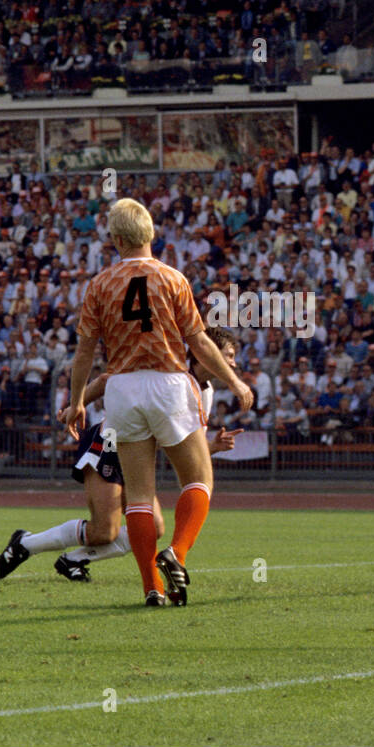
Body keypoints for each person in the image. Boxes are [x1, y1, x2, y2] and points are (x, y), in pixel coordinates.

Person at [62, 198, 253, 606]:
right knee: (199, 479)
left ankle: (152, 588)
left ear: (116, 239)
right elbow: (199, 342)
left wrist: (77, 401)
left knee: (140, 496)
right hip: (167, 384)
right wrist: (234, 380)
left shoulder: (99, 284)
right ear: (150, 233)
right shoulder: (173, 278)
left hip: (123, 389)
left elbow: (83, 355)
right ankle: (177, 553)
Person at [0, 326, 244, 584]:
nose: (233, 364)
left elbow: (183, 442)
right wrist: (75, 405)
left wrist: (211, 447)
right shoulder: (171, 367)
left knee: (155, 528)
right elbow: (106, 380)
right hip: (110, 443)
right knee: (104, 531)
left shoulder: (205, 392)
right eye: (228, 355)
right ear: (208, 351)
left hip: (139, 454)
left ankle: (73, 559)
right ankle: (25, 543)